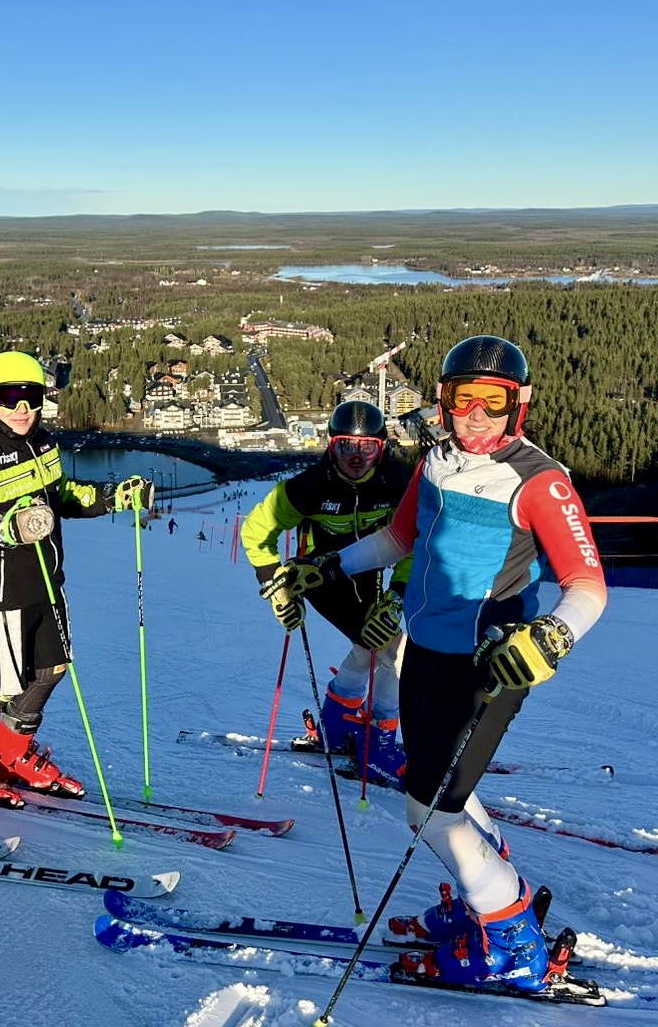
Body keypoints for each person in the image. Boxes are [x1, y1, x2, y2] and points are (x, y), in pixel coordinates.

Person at [260, 337, 607, 993]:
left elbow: (588, 583)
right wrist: (328, 566)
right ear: (442, 401)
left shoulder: (538, 479)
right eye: (460, 398)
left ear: (519, 405)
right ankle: (497, 893)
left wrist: (550, 638)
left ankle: (512, 942)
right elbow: (399, 537)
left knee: (428, 811)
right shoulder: (438, 461)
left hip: (488, 665)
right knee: (443, 791)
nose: (475, 415)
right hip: (424, 652)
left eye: (493, 401)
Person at [0, 351, 154, 805]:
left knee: (51, 670)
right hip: (1, 592)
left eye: (33, 396)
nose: (23, 408)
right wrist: (6, 529)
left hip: (47, 582)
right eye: (10, 397)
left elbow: (60, 495)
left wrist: (113, 496)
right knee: (2, 685)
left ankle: (11, 755)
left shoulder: (42, 443)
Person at [241, 400, 412, 784]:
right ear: (330, 446)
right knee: (392, 649)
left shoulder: (397, 483)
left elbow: (412, 543)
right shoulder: (309, 487)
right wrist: (278, 589)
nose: (356, 457)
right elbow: (255, 532)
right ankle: (378, 744)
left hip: (371, 576)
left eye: (367, 447)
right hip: (321, 579)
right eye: (345, 446)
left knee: (374, 643)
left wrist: (397, 596)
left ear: (381, 448)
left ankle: (337, 723)